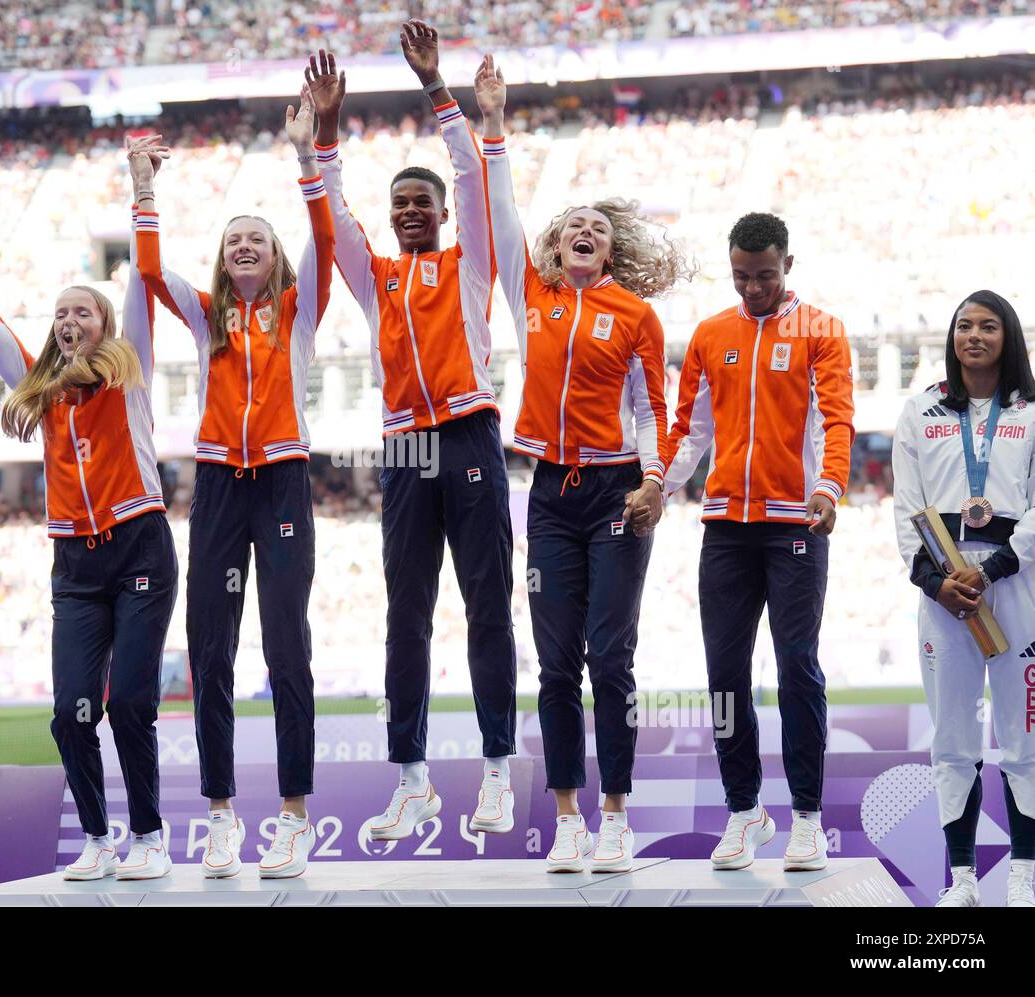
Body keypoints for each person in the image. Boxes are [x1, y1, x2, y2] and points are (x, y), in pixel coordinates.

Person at [476, 55, 691, 873]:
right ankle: (567, 817)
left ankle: (616, 814)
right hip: (548, 492)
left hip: (613, 493)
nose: (585, 234)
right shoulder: (535, 299)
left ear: (609, 250)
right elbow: (498, 219)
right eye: (574, 226)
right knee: (557, 658)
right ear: (559, 243)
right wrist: (493, 123)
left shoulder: (634, 315)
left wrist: (652, 483)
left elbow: (652, 410)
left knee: (612, 655)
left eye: (597, 229)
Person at [306, 30, 518, 841]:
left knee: (487, 605)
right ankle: (413, 779)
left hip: (468, 435)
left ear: (439, 212)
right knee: (407, 614)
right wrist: (327, 135)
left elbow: (471, 174)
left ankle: (497, 768)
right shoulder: (378, 278)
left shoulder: (471, 264)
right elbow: (333, 219)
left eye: (419, 204)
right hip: (404, 447)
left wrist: (437, 86)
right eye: (398, 207)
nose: (407, 214)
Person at [0, 144, 178, 882]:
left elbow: (146, 283)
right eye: (59, 313)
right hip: (76, 564)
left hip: (141, 545)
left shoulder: (130, 372)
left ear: (104, 324)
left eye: (81, 310)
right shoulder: (41, 389)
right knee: (71, 712)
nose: (67, 320)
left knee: (132, 704)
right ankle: (98, 834)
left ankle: (149, 832)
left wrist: (142, 190)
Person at [134, 91, 333, 879]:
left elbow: (323, 235)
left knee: (288, 649)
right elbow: (148, 269)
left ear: (275, 257)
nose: (244, 245)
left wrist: (305, 155)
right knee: (211, 652)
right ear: (222, 260)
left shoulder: (299, 308)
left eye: (257, 238)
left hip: (283, 481)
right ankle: (220, 816)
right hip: (218, 486)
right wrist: (144, 187)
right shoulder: (206, 313)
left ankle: (293, 816)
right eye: (233, 240)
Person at [661, 213, 854, 871]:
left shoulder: (822, 330)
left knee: (797, 664)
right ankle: (744, 811)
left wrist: (829, 487)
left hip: (795, 522)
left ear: (788, 266)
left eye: (765, 276)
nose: (753, 289)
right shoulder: (712, 334)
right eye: (741, 277)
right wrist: (657, 488)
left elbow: (836, 419)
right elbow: (689, 431)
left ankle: (807, 815)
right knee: (723, 675)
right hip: (724, 526)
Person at [891, 290, 1035, 907]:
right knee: (952, 737)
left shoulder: (1031, 410)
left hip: (1018, 582)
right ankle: (963, 879)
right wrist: (933, 581)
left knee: (1023, 732)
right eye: (963, 326)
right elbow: (906, 502)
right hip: (946, 588)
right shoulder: (921, 411)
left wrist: (1001, 565)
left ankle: (1025, 872)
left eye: (988, 326)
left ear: (1008, 337)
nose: (973, 336)